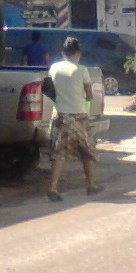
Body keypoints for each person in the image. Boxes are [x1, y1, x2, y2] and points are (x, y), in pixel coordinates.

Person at [44, 37, 102, 201]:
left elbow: (49, 89)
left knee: (59, 153)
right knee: (87, 151)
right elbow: (89, 96)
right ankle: (91, 185)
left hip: (61, 116)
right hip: (79, 117)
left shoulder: (54, 68)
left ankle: (53, 187)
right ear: (78, 53)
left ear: (63, 53)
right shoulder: (82, 70)